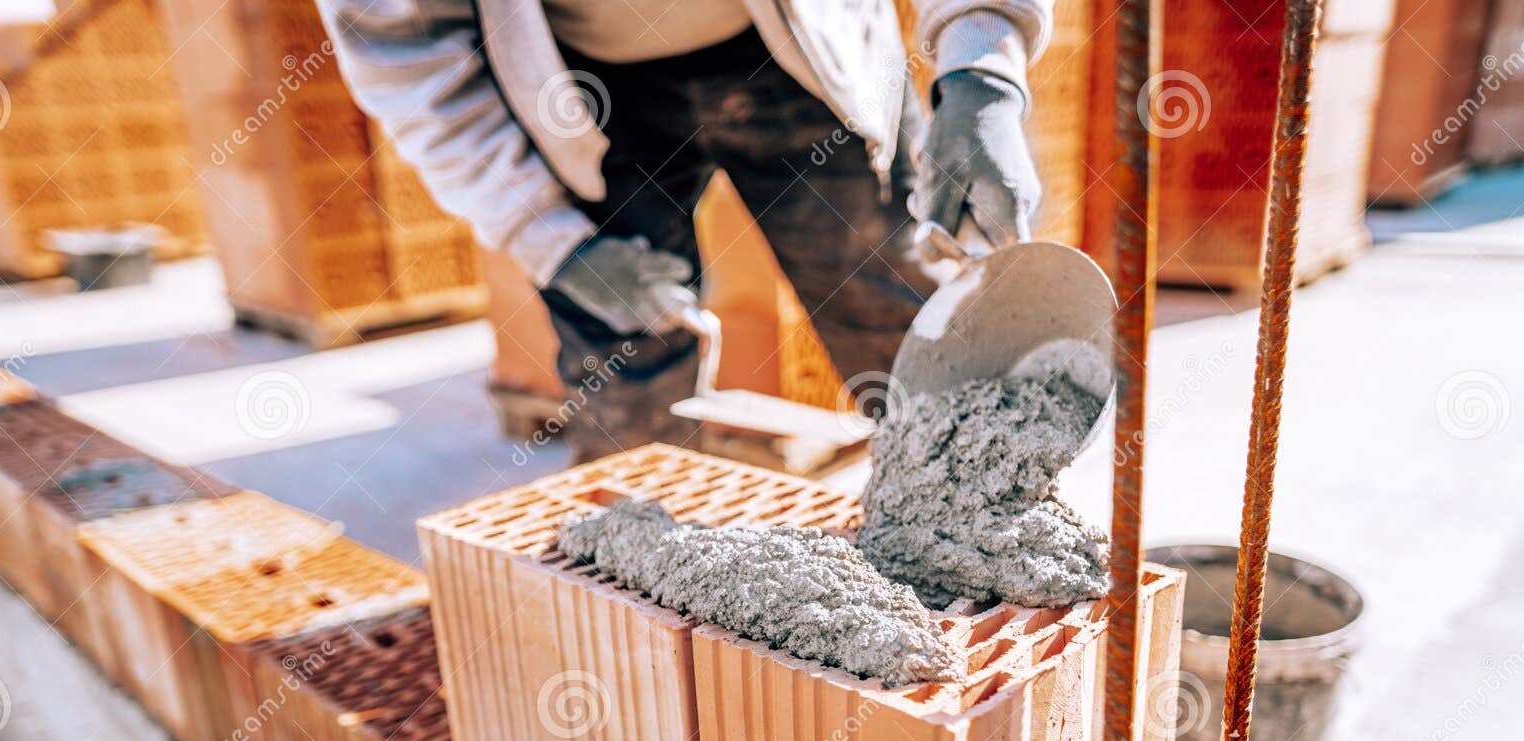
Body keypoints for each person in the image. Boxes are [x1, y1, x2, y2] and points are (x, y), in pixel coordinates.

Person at [316, 0, 1052, 461]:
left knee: (902, 319)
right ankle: (645, 581)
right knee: (624, 360)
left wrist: (982, 65)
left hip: (808, 47)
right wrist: (549, 236)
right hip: (577, 86)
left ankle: (970, 523)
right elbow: (400, 38)